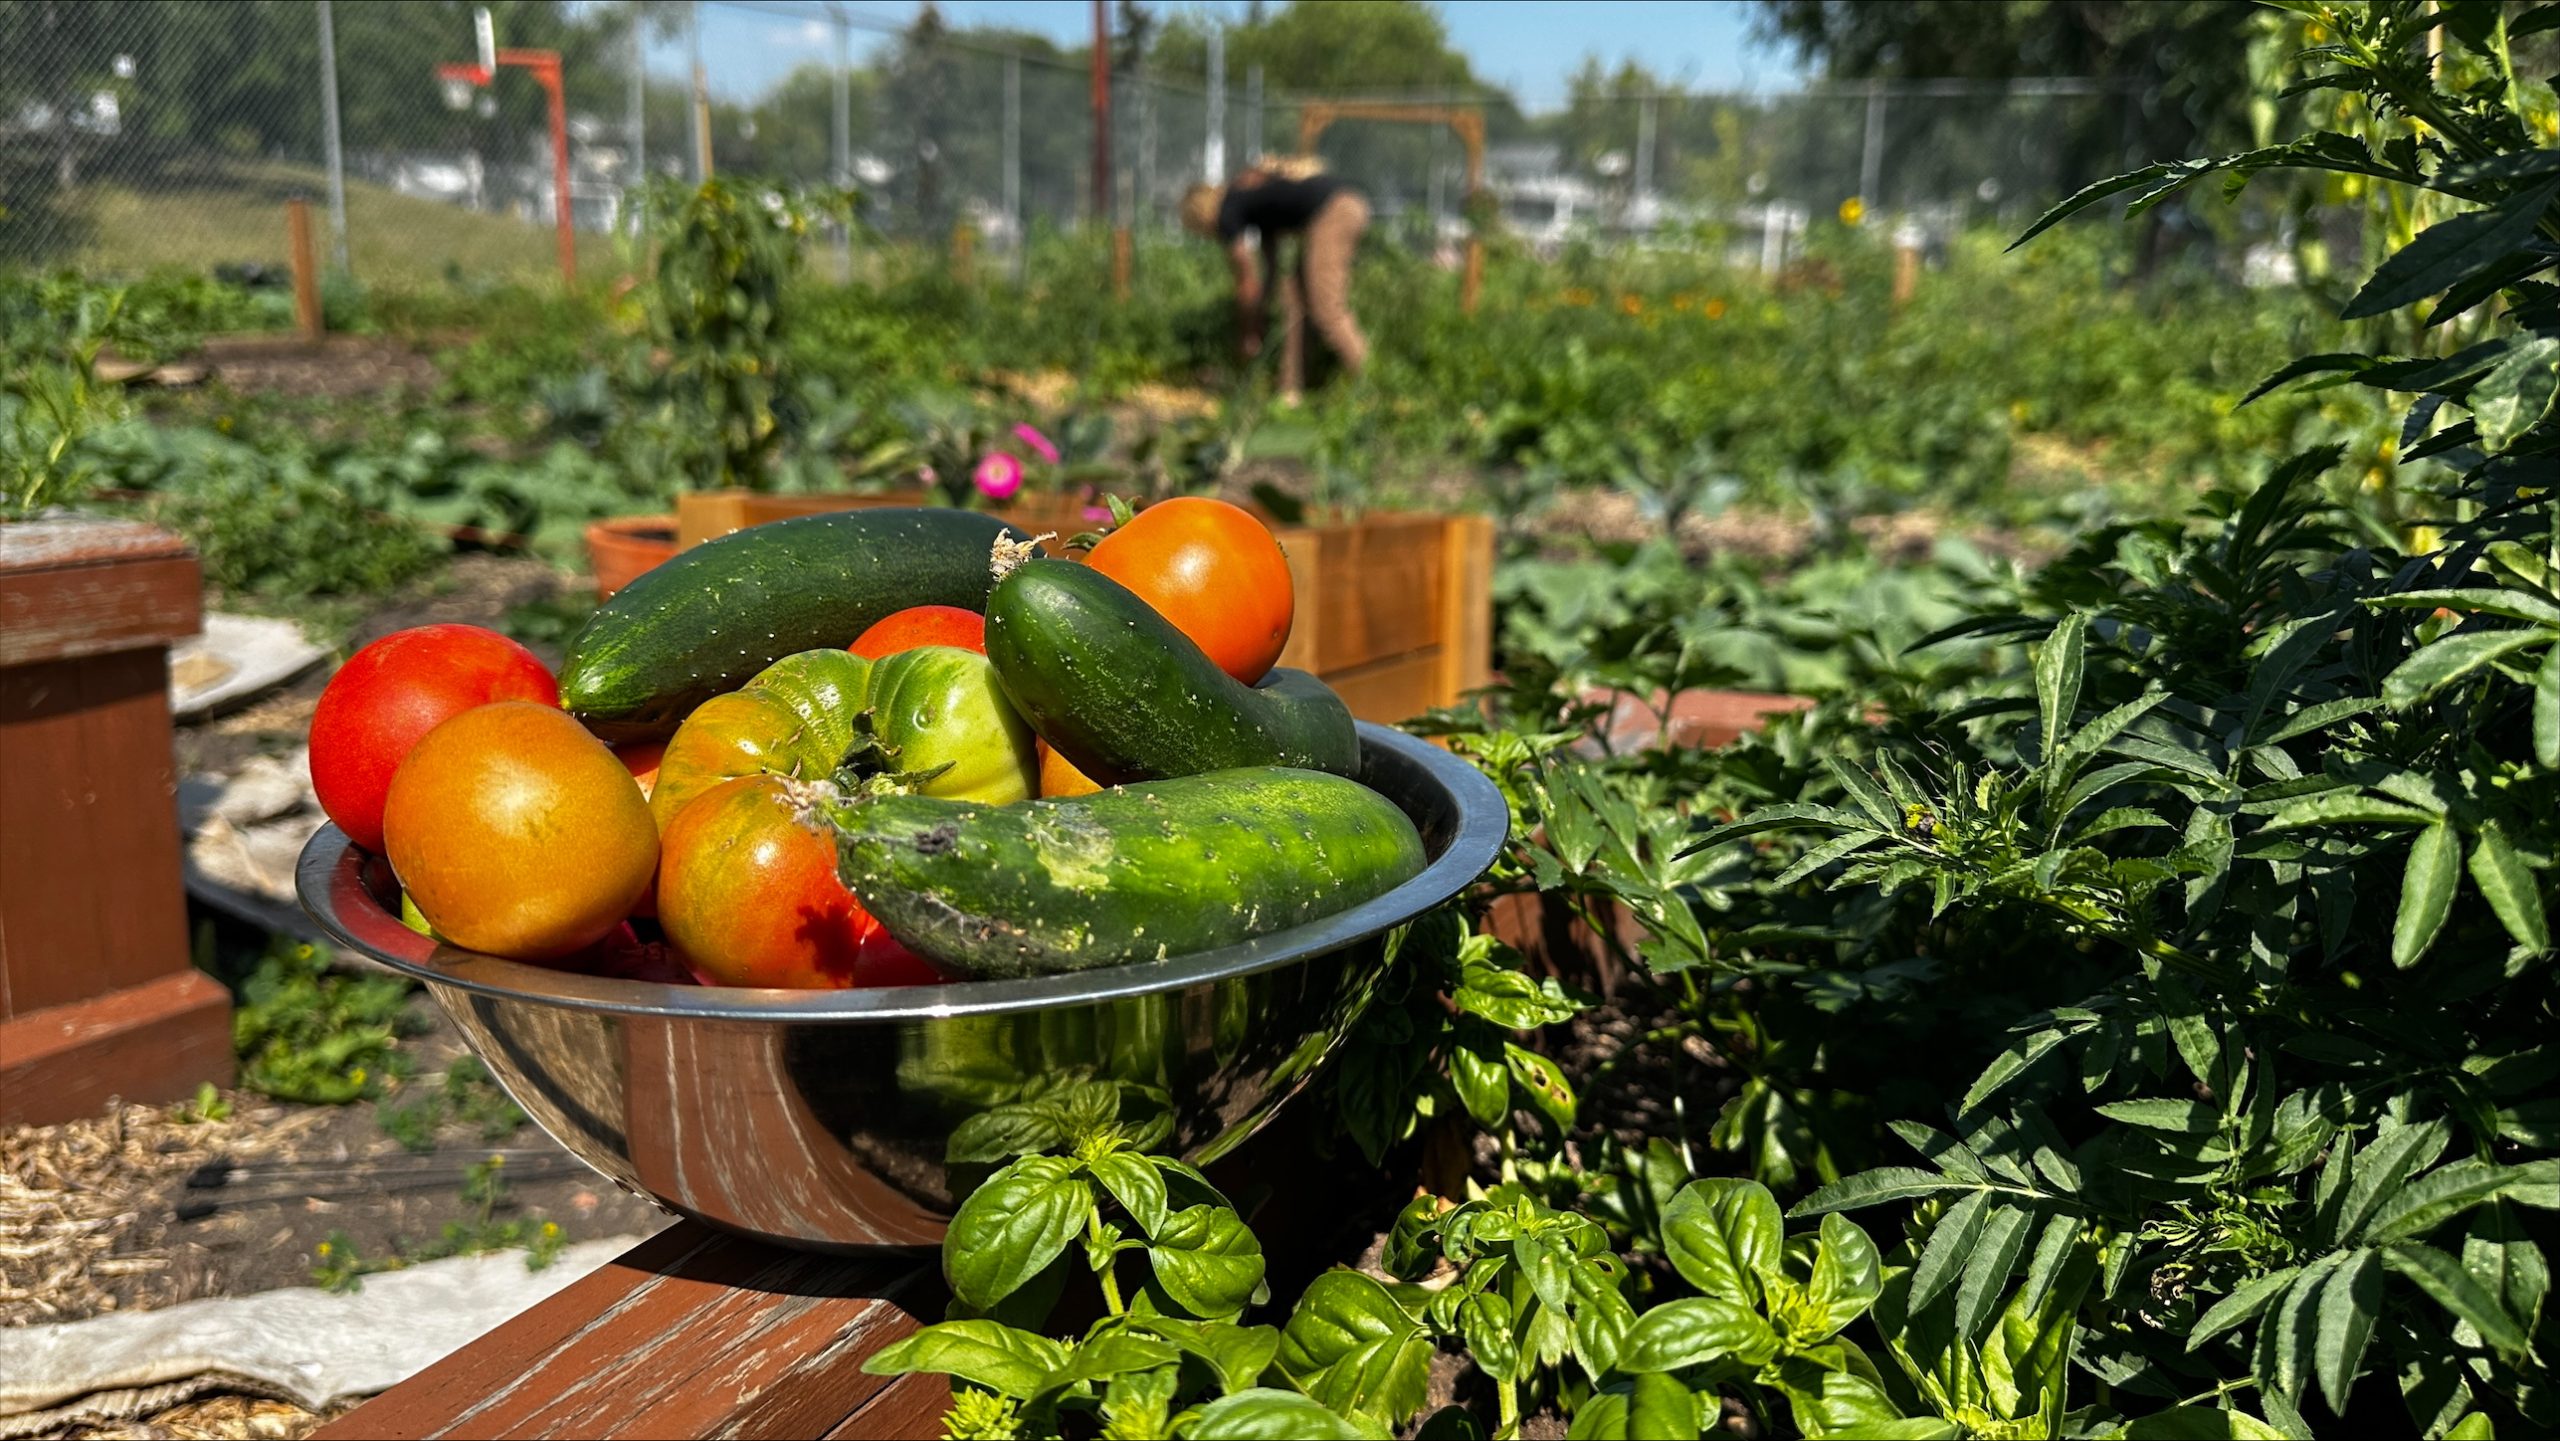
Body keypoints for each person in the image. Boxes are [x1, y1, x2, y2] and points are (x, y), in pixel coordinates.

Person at [1181, 157, 1370, 395]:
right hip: (1342, 206)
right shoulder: (1250, 202)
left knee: (1327, 309)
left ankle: (1375, 384)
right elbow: (1269, 272)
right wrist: (1262, 308)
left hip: (1334, 211)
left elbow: (1246, 280)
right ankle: (1290, 391)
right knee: (1293, 302)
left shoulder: (1227, 210)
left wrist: (1248, 332)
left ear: (1201, 215)